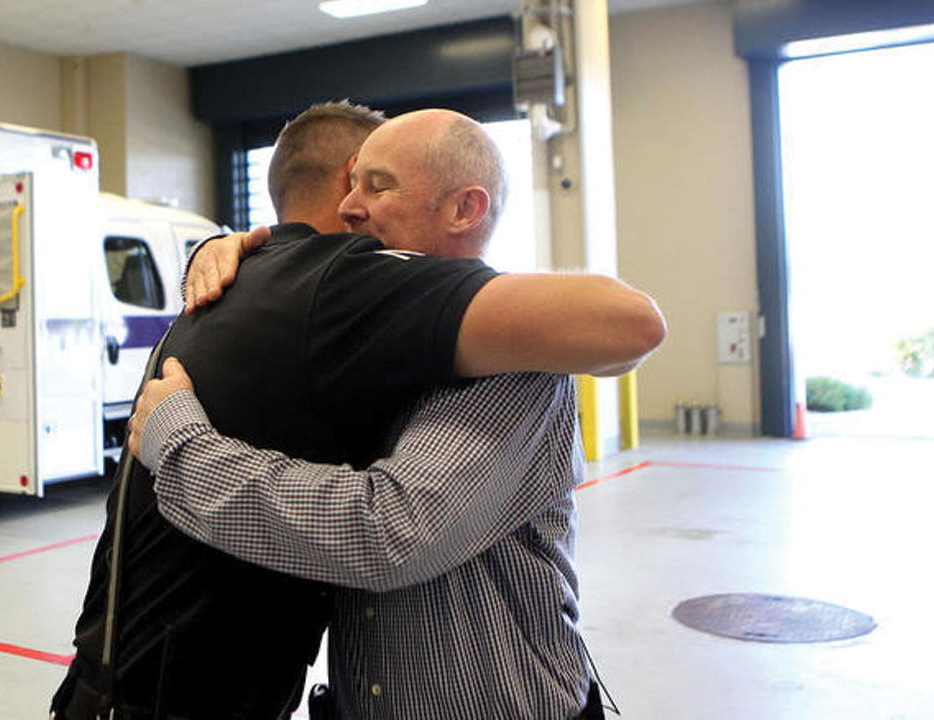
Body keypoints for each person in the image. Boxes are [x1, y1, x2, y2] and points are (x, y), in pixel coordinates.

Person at [52, 103, 663, 719]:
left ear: (464, 210)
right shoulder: (378, 345)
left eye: (378, 186)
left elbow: (387, 533)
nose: (347, 206)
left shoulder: (514, 364)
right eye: (351, 184)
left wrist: (184, 446)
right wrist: (246, 255)